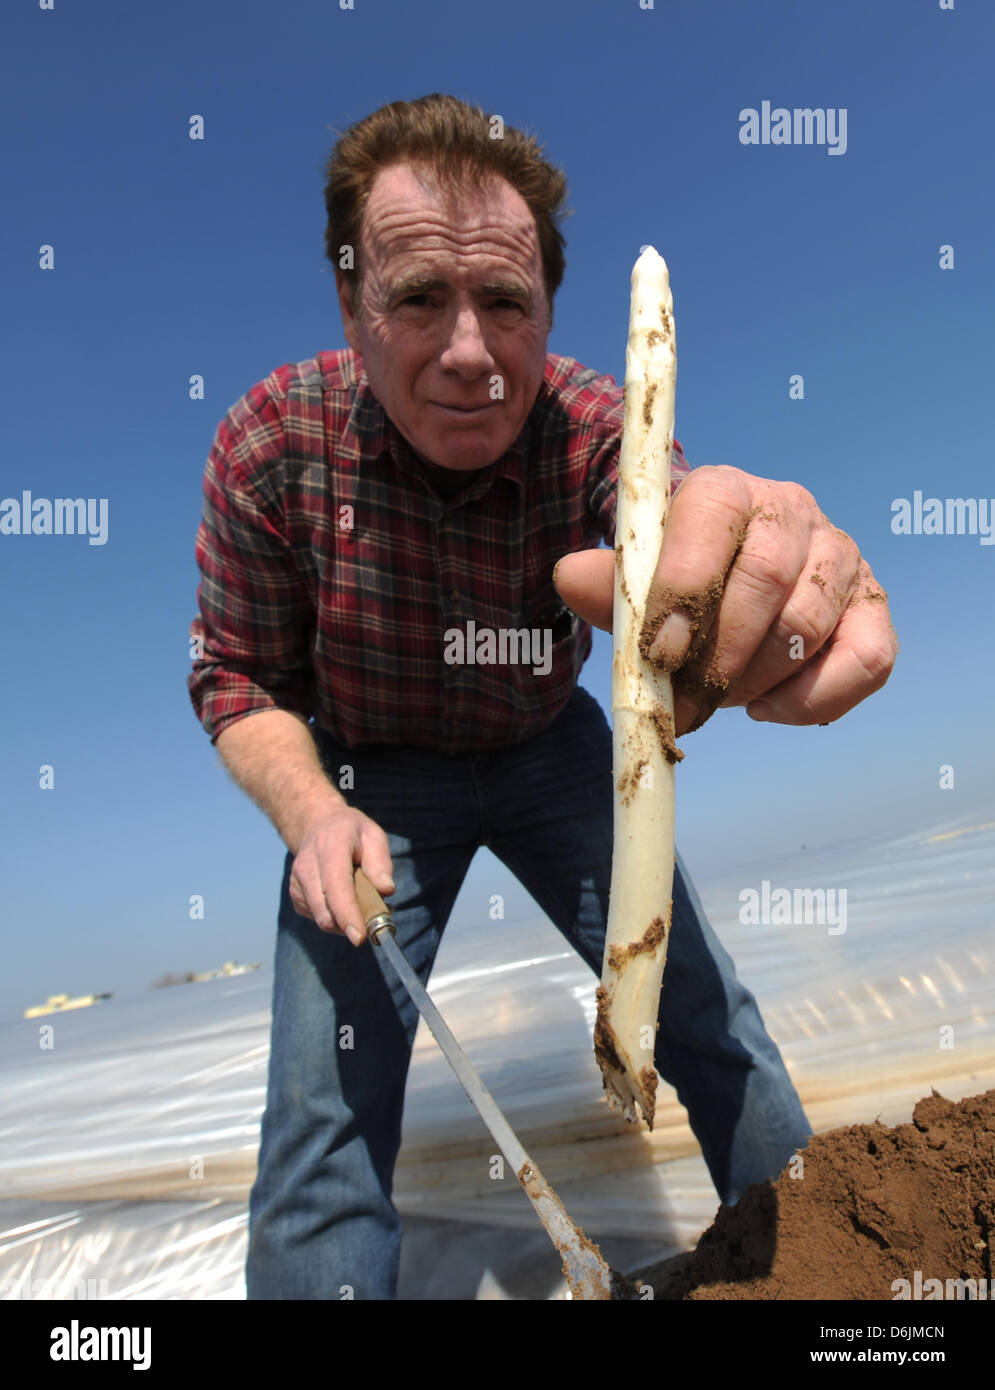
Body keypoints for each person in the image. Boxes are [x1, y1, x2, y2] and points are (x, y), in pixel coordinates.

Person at [187, 94, 897, 1300]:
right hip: (366, 779)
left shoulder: (591, 432)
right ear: (354, 311)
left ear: (549, 314)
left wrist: (762, 556)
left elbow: (686, 517)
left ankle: (834, 1289)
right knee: (324, 1114)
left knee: (703, 1014)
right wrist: (311, 813)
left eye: (505, 303)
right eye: (417, 296)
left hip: (546, 741)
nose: (468, 350)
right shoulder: (268, 448)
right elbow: (237, 676)